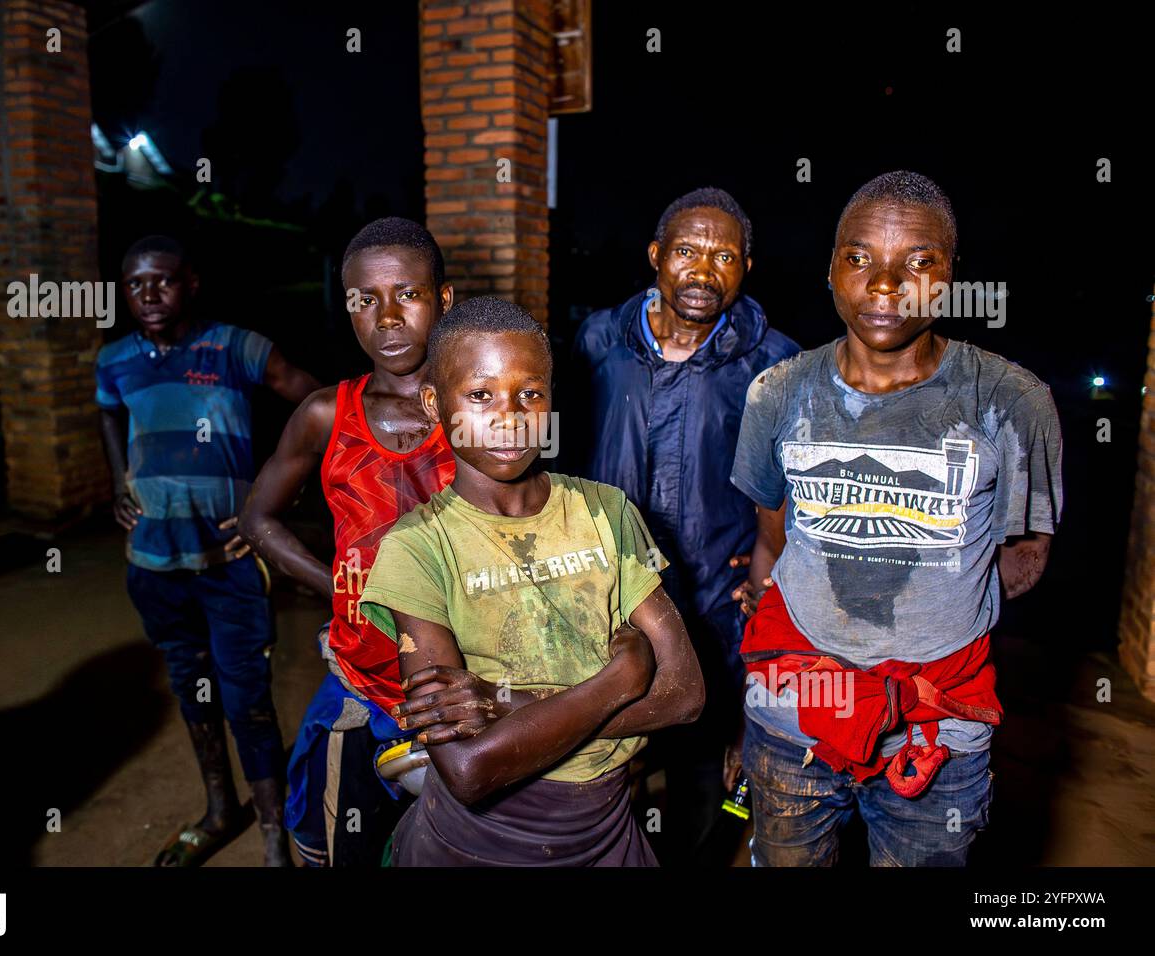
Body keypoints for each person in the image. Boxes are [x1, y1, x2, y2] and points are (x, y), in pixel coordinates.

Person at [730, 171, 1062, 866]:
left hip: (936, 725)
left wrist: (933, 609)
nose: (884, 284)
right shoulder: (777, 390)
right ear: (830, 270)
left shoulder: (1011, 400)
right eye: (859, 259)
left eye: (917, 261)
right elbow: (771, 532)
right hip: (793, 713)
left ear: (949, 275)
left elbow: (1025, 555)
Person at [358, 296, 705, 866]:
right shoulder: (417, 548)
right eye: (479, 395)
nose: (509, 416)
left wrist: (505, 703)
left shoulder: (605, 511)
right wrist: (622, 677)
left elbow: (685, 696)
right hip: (477, 842)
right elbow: (469, 770)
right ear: (433, 402)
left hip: (608, 831)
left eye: (531, 393)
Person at [569, 187, 799, 859]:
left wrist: (765, 590)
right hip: (602, 597)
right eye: (688, 252)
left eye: (724, 255)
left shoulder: (775, 362)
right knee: (608, 764)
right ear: (656, 257)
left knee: (703, 773)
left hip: (716, 602)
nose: (704, 271)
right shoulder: (597, 341)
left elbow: (788, 504)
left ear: (746, 268)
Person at [239, 218, 458, 866]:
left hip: (459, 688)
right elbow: (258, 518)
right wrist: (337, 583)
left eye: (407, 295)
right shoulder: (324, 414)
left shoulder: (475, 410)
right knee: (344, 846)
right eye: (366, 299)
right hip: (361, 681)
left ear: (442, 300)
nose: (387, 317)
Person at [95, 234, 320, 866]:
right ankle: (221, 809)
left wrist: (276, 500)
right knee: (191, 689)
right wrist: (118, 478)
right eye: (135, 283)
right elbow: (109, 414)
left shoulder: (236, 348)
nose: (148, 294)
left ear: (190, 282)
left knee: (246, 699)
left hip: (229, 566)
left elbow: (319, 404)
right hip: (155, 566)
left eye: (162, 280)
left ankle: (274, 831)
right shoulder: (114, 359)